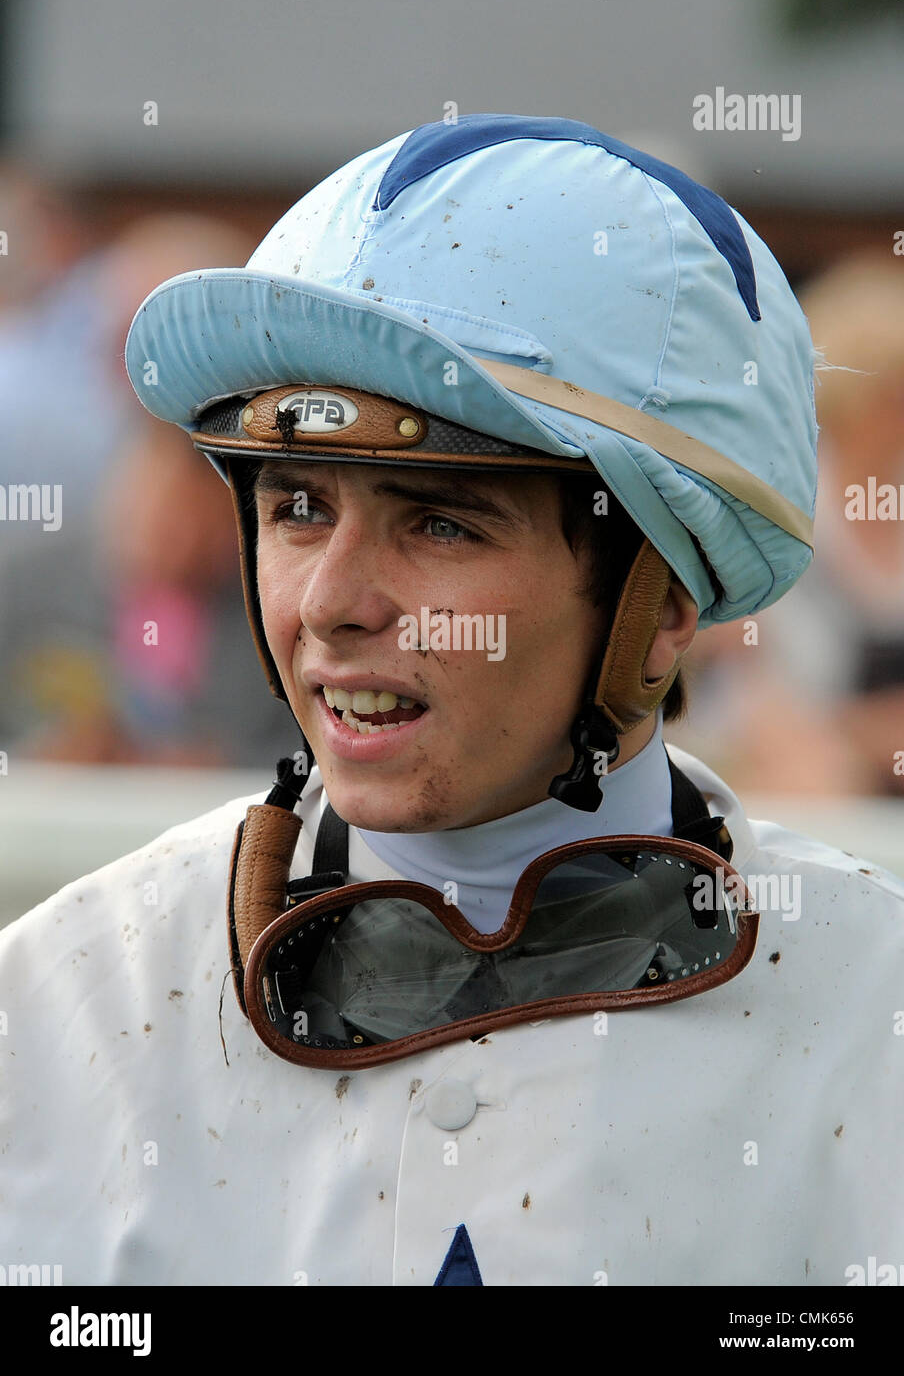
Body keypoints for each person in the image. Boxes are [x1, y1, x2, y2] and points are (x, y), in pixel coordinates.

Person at [1, 115, 902, 1288]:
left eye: (440, 521)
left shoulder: (872, 1019)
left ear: (665, 600)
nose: (329, 603)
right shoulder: (59, 1008)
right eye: (298, 507)